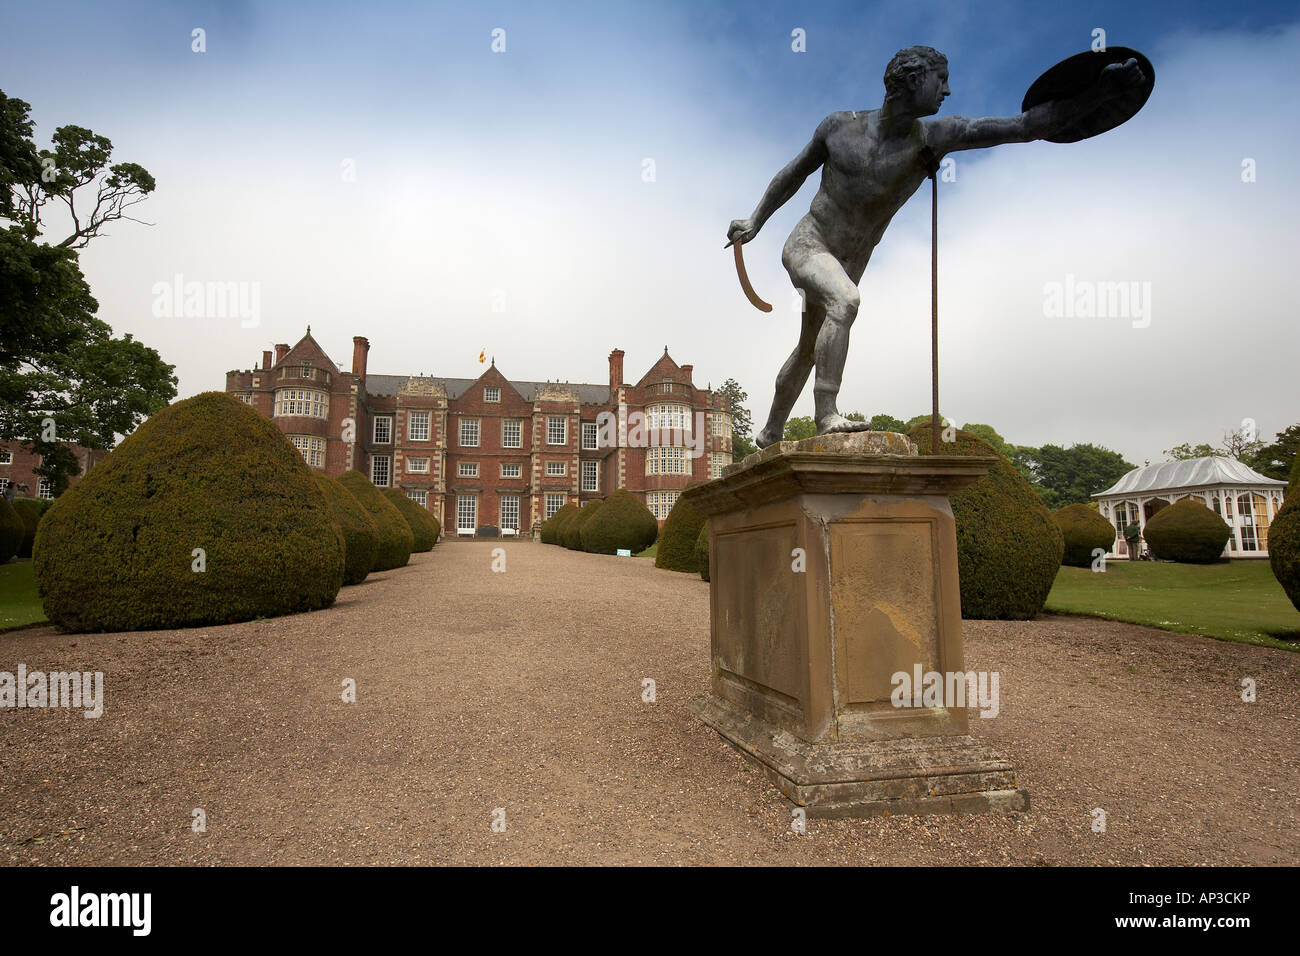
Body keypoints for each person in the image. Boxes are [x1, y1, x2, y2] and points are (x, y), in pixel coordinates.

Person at [729, 46, 1145, 447]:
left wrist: (1099, 95)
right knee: (845, 301)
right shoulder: (838, 126)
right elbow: (793, 173)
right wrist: (755, 220)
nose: (947, 91)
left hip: (850, 260)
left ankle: (770, 431)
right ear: (912, 80)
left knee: (808, 349)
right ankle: (827, 416)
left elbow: (1024, 127)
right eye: (940, 80)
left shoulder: (934, 137)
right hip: (808, 242)